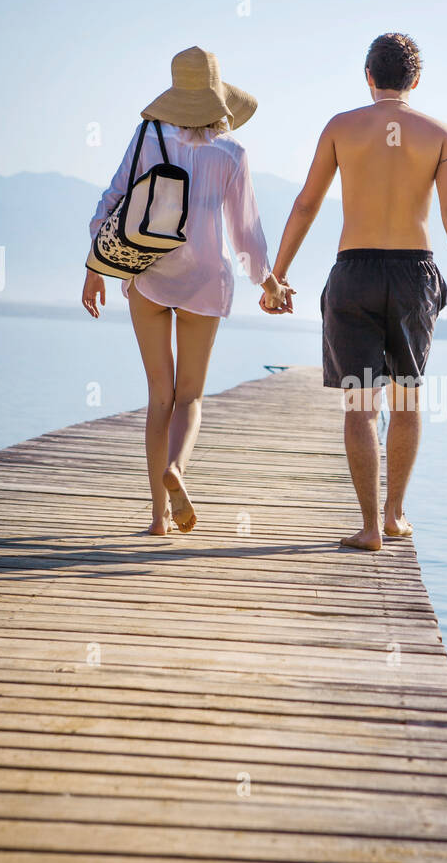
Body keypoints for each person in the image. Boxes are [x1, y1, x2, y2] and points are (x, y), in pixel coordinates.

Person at [263, 32, 447, 551]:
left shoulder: (341, 127)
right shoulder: (440, 135)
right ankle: (395, 515)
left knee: (360, 404)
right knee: (405, 400)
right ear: (416, 80)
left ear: (368, 76)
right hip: (413, 273)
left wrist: (278, 273)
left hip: (354, 271)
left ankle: (367, 527)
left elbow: (306, 204)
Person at [82, 46, 291, 536]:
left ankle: (156, 518)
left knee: (160, 395)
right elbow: (245, 234)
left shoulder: (147, 137)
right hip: (205, 281)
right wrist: (270, 283)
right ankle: (178, 466)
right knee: (190, 398)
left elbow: (112, 201)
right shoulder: (233, 152)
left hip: (149, 275)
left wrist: (96, 267)